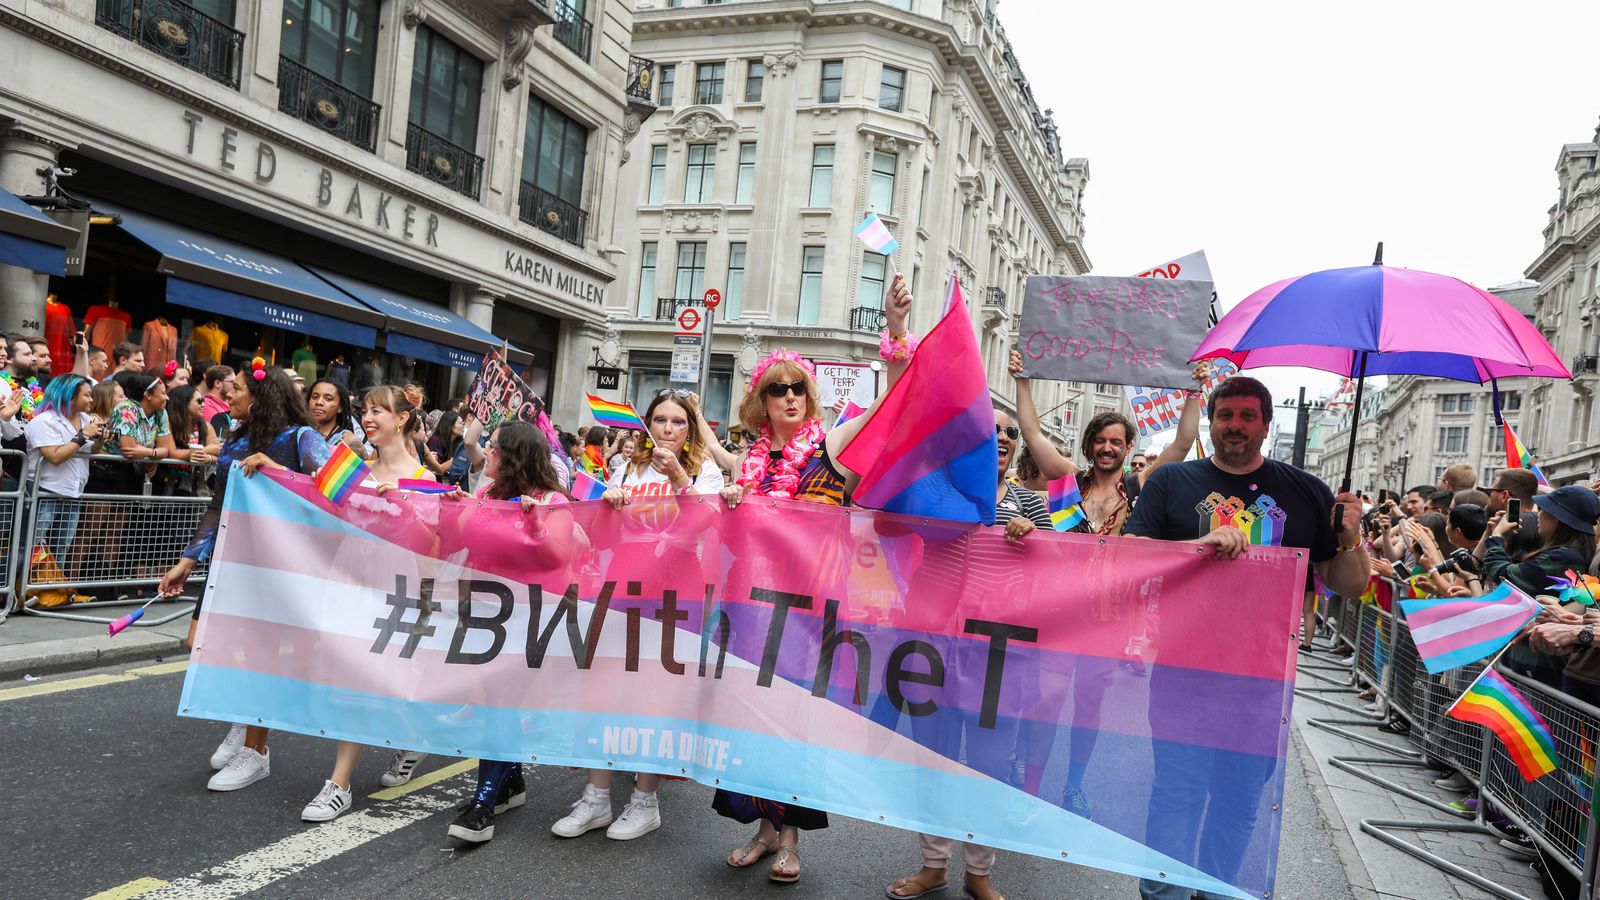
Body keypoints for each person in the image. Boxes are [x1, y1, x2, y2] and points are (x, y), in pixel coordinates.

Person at [1123, 375, 1369, 900]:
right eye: (1226, 415)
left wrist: (1353, 537)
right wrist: (1199, 545)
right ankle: (1163, 894)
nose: (1235, 426)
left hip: (1261, 679)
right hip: (1183, 671)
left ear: (1265, 423)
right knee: (1177, 794)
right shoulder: (1171, 483)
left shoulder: (1307, 491)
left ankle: (1217, 892)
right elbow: (1130, 556)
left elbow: (1350, 583)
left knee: (1239, 802)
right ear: (1212, 422)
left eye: (1247, 416)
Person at [712, 274, 914, 885]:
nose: (792, 396)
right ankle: (764, 828)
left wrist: (898, 332)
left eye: (799, 387)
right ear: (761, 402)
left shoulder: (829, 445)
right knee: (748, 714)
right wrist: (725, 500)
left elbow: (893, 401)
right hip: (748, 606)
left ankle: (793, 835)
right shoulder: (745, 458)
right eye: (779, 389)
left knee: (793, 719)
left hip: (806, 612)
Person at [885, 407, 1048, 900]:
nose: (1002, 437)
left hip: (999, 653)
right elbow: (884, 521)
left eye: (1010, 433)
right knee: (930, 758)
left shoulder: (1032, 505)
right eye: (990, 430)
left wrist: (1035, 541)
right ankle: (933, 864)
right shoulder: (938, 494)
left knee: (988, 765)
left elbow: (1063, 574)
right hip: (933, 646)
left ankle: (979, 871)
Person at [549, 389, 724, 843]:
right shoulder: (628, 466)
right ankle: (596, 797)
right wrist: (610, 503)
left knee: (656, 691)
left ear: (691, 429)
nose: (668, 428)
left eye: (678, 421)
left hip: (674, 583)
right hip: (625, 577)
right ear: (647, 424)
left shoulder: (703, 470)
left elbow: (703, 523)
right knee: (604, 682)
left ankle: (645, 802)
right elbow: (604, 538)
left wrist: (682, 480)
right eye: (660, 420)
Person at [159, 367, 332, 793]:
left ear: (259, 397)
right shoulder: (234, 441)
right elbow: (219, 506)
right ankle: (243, 715)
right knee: (199, 641)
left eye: (236, 389)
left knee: (261, 656)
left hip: (278, 567)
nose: (227, 394)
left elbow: (335, 489)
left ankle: (256, 752)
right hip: (230, 560)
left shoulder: (301, 438)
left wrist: (276, 469)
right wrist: (189, 559)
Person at [299, 385, 438, 822]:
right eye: (366, 410)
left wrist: (402, 506)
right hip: (352, 587)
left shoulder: (424, 481)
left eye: (379, 410)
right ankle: (354, 775)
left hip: (397, 593)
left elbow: (431, 547)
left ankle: (353, 774)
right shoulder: (352, 469)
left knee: (379, 683)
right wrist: (269, 470)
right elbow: (313, 503)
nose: (370, 417)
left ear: (403, 419)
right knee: (355, 683)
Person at [447, 420, 577, 843]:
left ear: (514, 457)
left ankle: (484, 802)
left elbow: (559, 554)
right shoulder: (486, 494)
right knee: (492, 699)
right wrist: (457, 506)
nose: (487, 451)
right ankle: (511, 782)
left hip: (530, 618)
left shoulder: (552, 500)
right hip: (486, 613)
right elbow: (462, 537)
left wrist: (537, 526)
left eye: (495, 447)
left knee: (500, 703)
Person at [1008, 350, 1207, 536]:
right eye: (1100, 441)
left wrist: (1194, 392)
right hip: (1069, 572)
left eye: (1115, 442)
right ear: (1089, 445)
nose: (1106, 448)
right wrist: (1021, 380)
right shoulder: (1072, 481)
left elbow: (1182, 443)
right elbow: (1033, 434)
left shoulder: (1139, 484)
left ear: (1129, 447)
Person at [1480, 485, 1600, 689]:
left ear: (1558, 518)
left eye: (1545, 509)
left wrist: (1497, 535)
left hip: (1543, 663)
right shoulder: (1575, 551)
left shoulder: (1564, 556)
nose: (1537, 514)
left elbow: (1504, 574)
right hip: (1548, 660)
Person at [24, 374, 104, 605]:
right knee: (31, 546)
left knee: (60, 548)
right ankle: (17, 594)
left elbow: (91, 451)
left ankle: (51, 596)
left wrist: (99, 440)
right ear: (70, 395)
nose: (92, 399)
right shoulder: (44, 421)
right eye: (87, 394)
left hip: (72, 492)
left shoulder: (86, 419)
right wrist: (83, 436)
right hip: (45, 490)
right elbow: (55, 457)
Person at [153, 384, 220, 496]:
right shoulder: (168, 424)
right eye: (199, 401)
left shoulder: (205, 426)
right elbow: (173, 453)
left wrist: (208, 458)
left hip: (194, 487)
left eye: (203, 401)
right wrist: (206, 450)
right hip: (166, 485)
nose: (203, 405)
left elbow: (218, 453)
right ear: (183, 403)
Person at [307, 378, 362, 452]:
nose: (319, 402)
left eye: (328, 399)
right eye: (315, 397)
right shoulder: (299, 433)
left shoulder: (348, 441)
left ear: (340, 407)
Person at [200, 365, 235, 436]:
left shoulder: (231, 403)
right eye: (232, 382)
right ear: (217, 383)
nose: (235, 386)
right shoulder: (207, 405)